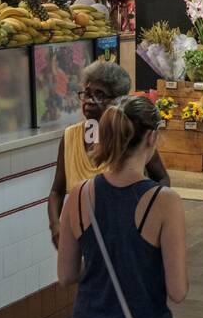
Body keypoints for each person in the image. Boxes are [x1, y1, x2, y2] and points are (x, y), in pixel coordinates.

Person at [57, 95, 188, 318]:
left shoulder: (78, 196)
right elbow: (178, 290)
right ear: (151, 138)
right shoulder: (164, 202)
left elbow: (66, 275)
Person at [49, 61, 169, 248]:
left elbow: (162, 178)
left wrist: (150, 216)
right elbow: (56, 191)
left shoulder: (130, 138)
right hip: (81, 240)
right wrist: (56, 227)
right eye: (87, 93)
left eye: (100, 95)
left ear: (116, 101)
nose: (89, 100)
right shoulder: (70, 138)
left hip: (124, 241)